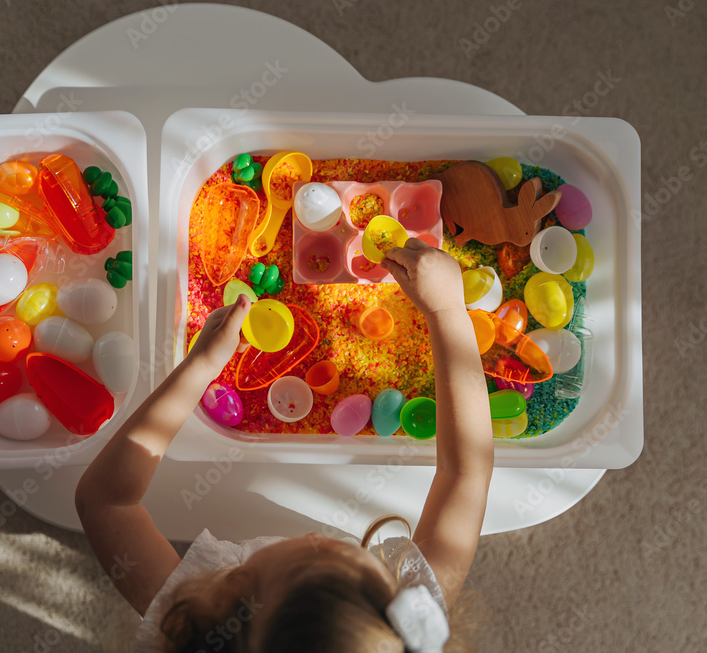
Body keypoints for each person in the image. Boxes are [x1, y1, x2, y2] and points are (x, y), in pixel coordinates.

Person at [75, 239, 494, 652]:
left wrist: (201, 365)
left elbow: (105, 502)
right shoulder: (399, 624)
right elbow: (466, 471)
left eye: (310, 552)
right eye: (345, 555)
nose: (317, 535)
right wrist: (446, 310)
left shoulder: (191, 622)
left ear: (222, 602)